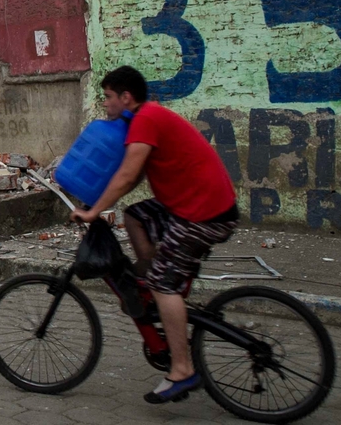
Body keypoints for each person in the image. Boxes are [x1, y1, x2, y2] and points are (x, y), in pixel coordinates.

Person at [71, 66, 238, 405]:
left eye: (107, 97)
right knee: (136, 216)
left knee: (165, 284)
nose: (105, 105)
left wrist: (92, 212)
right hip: (188, 207)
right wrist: (95, 199)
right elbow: (127, 179)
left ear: (126, 97)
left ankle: (181, 370)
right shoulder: (141, 121)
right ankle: (150, 280)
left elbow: (127, 176)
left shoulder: (146, 119)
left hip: (204, 215)